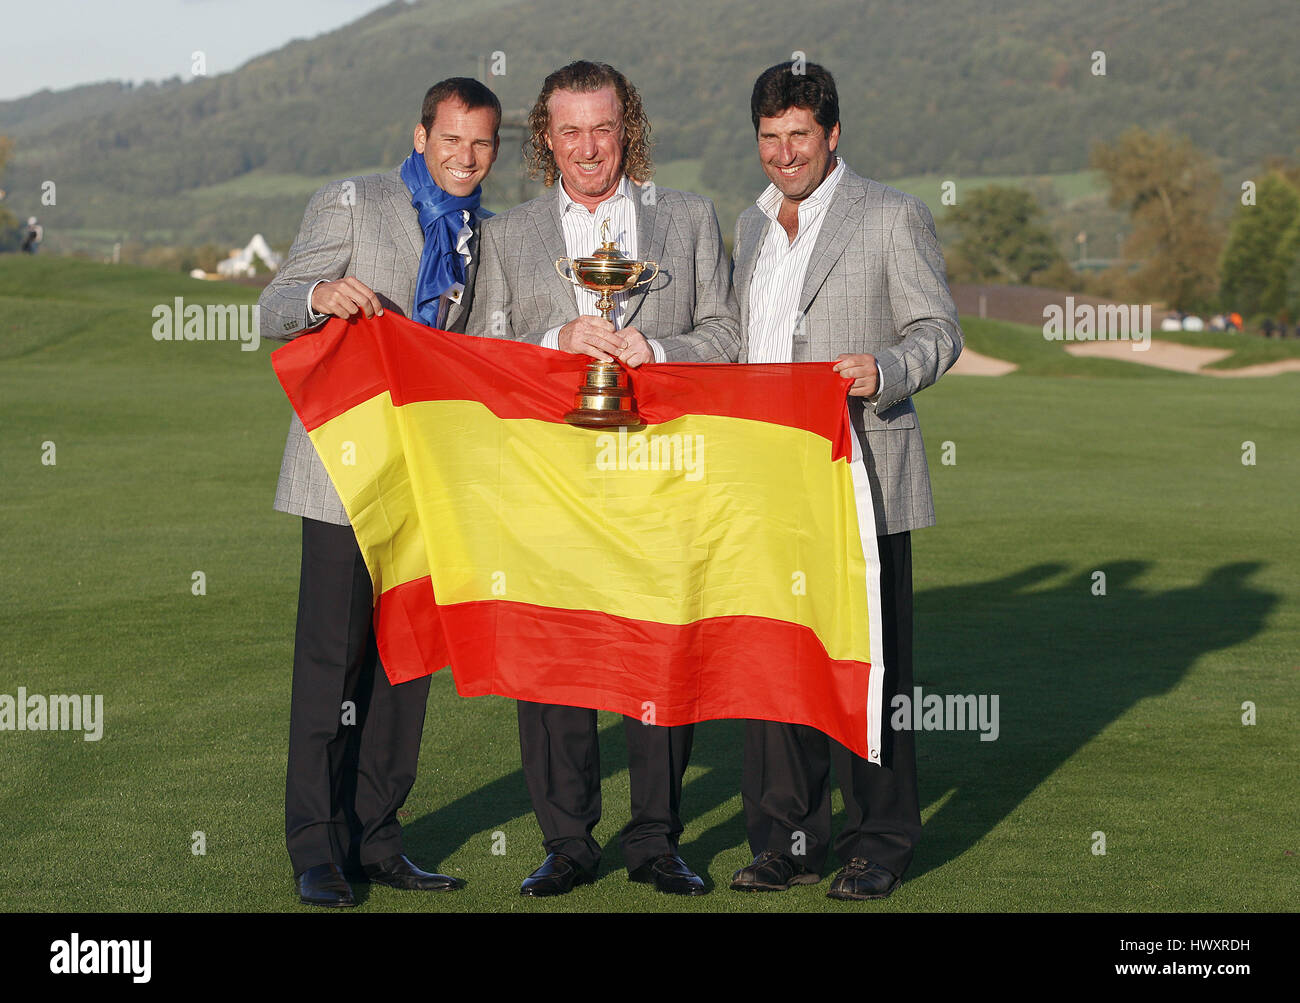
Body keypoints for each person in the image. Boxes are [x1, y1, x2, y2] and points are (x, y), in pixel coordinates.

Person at [464, 60, 740, 897]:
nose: (590, 147)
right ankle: (568, 841)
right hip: (550, 480)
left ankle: (656, 838)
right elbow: (480, 354)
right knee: (554, 660)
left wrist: (655, 349)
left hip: (660, 476)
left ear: (631, 127)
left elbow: (728, 334)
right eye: (571, 129)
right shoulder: (509, 235)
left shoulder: (688, 218)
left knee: (659, 655)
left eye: (605, 127)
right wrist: (556, 343)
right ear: (545, 138)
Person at [259, 77, 501, 907]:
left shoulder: (487, 232)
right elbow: (272, 302)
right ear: (420, 135)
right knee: (333, 662)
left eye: (482, 144)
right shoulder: (353, 202)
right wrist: (319, 295)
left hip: (425, 481)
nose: (465, 159)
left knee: (405, 663)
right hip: (339, 470)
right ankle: (316, 847)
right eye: (452, 141)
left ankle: (379, 837)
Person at [728, 61, 962, 901]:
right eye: (769, 138)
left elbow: (940, 329)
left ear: (832, 135)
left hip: (861, 475)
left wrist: (888, 367)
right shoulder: (751, 228)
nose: (785, 154)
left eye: (799, 136)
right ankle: (787, 840)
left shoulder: (891, 215)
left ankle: (881, 842)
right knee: (774, 665)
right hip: (765, 486)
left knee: (871, 669)